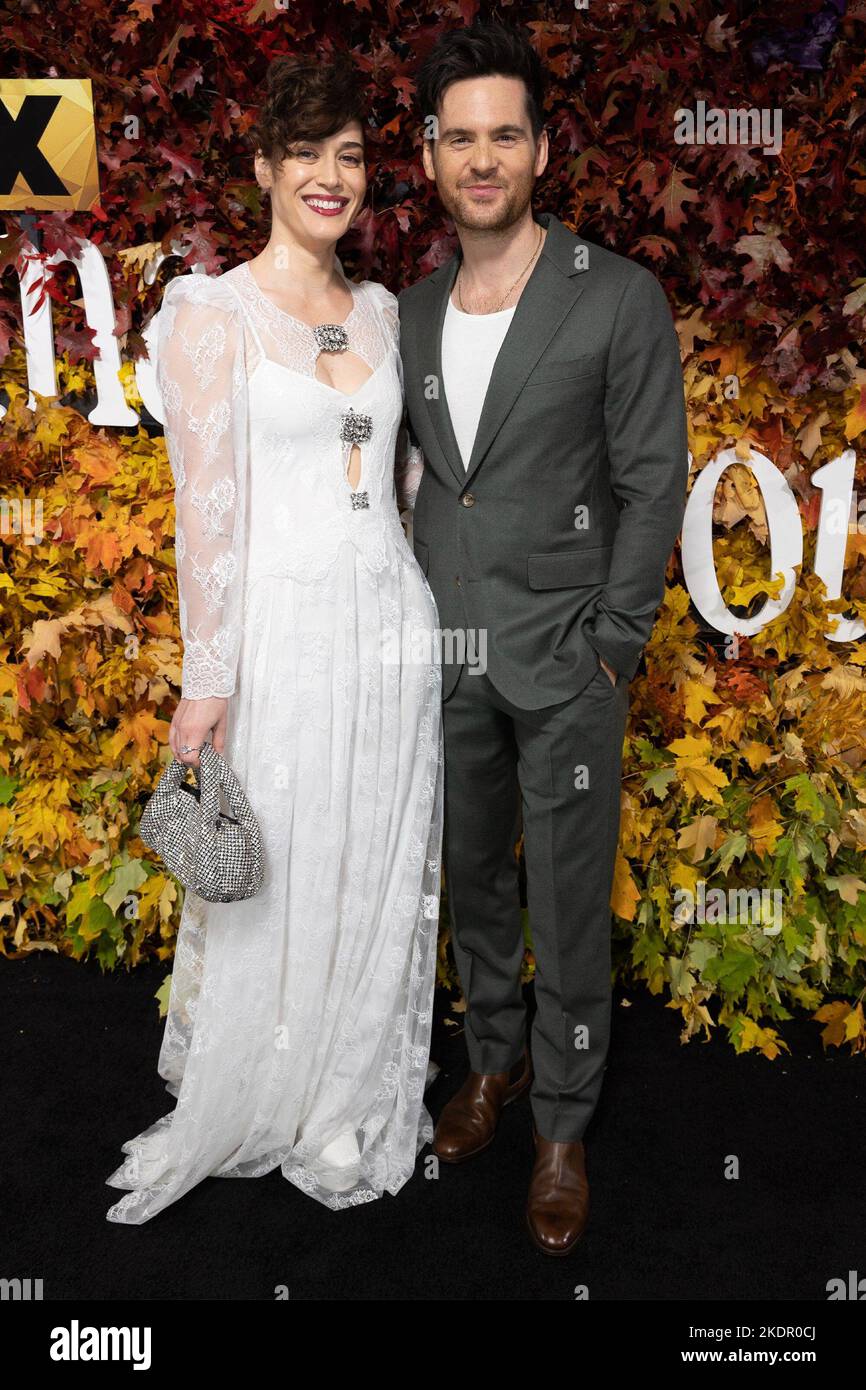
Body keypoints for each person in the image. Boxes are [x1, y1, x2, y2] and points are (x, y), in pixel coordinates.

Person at [106, 52, 444, 1223]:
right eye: (305, 153)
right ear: (260, 168)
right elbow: (209, 512)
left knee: (370, 856)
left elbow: (401, 483)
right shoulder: (211, 314)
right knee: (281, 860)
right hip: (282, 634)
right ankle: (259, 1081)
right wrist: (209, 677)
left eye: (349, 157)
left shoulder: (387, 313)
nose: (330, 176)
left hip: (389, 625)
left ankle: (345, 1094)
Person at [397, 19, 689, 1254]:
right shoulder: (407, 311)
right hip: (445, 655)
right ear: (426, 157)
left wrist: (612, 643)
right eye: (458, 137)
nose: (481, 158)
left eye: (502, 135)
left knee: (566, 902)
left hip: (568, 660)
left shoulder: (614, 294)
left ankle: (561, 1123)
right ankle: (492, 1069)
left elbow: (650, 480)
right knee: (472, 878)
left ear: (540, 149)